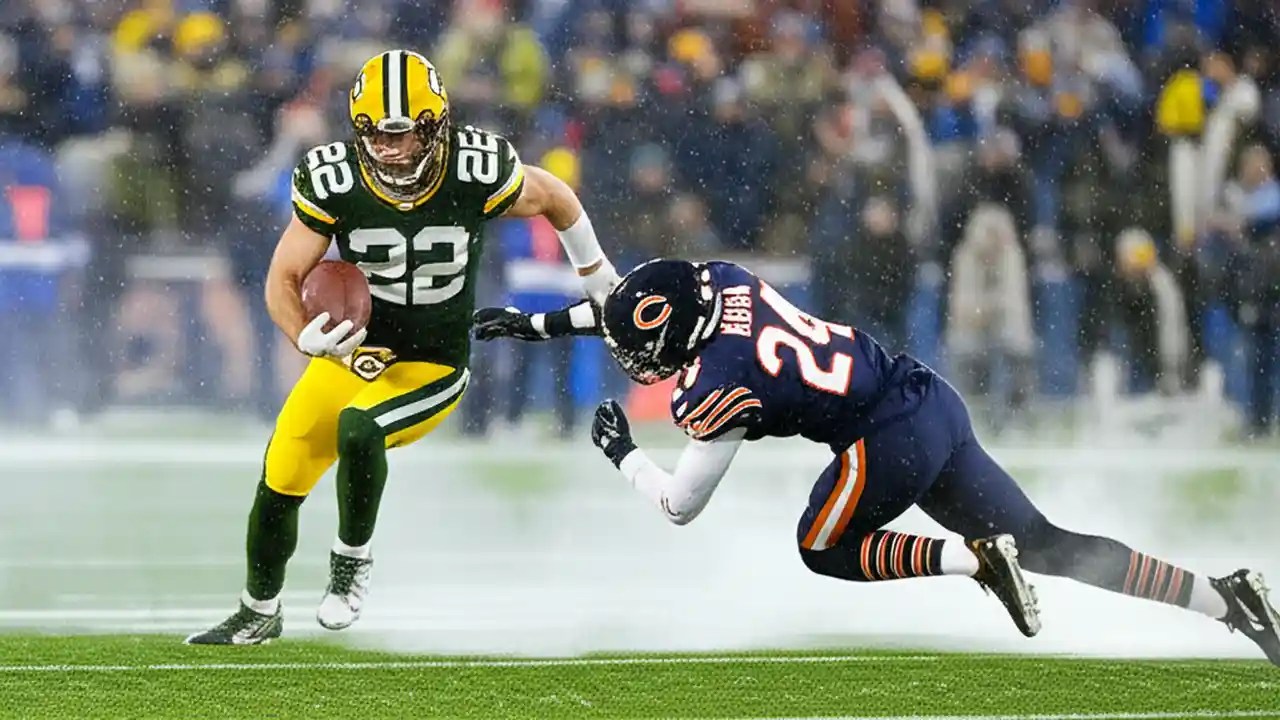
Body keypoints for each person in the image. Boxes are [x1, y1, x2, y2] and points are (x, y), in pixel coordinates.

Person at [474, 258, 1280, 665]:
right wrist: (542, 325)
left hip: (882, 436)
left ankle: (971, 562)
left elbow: (681, 505)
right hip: (926, 396)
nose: (631, 358)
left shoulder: (717, 386)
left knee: (820, 546)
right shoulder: (718, 278)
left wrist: (623, 457)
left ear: (678, 341)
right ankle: (1225, 599)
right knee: (1050, 544)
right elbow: (631, 307)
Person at [186, 49, 620, 645]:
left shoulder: (474, 166)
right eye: (374, 134)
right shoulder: (335, 178)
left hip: (432, 363)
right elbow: (282, 278)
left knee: (361, 430)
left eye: (401, 134)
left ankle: (351, 566)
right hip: (356, 353)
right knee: (280, 473)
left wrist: (597, 276)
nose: (388, 149)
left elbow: (554, 197)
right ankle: (258, 610)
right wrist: (302, 333)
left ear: (436, 124)